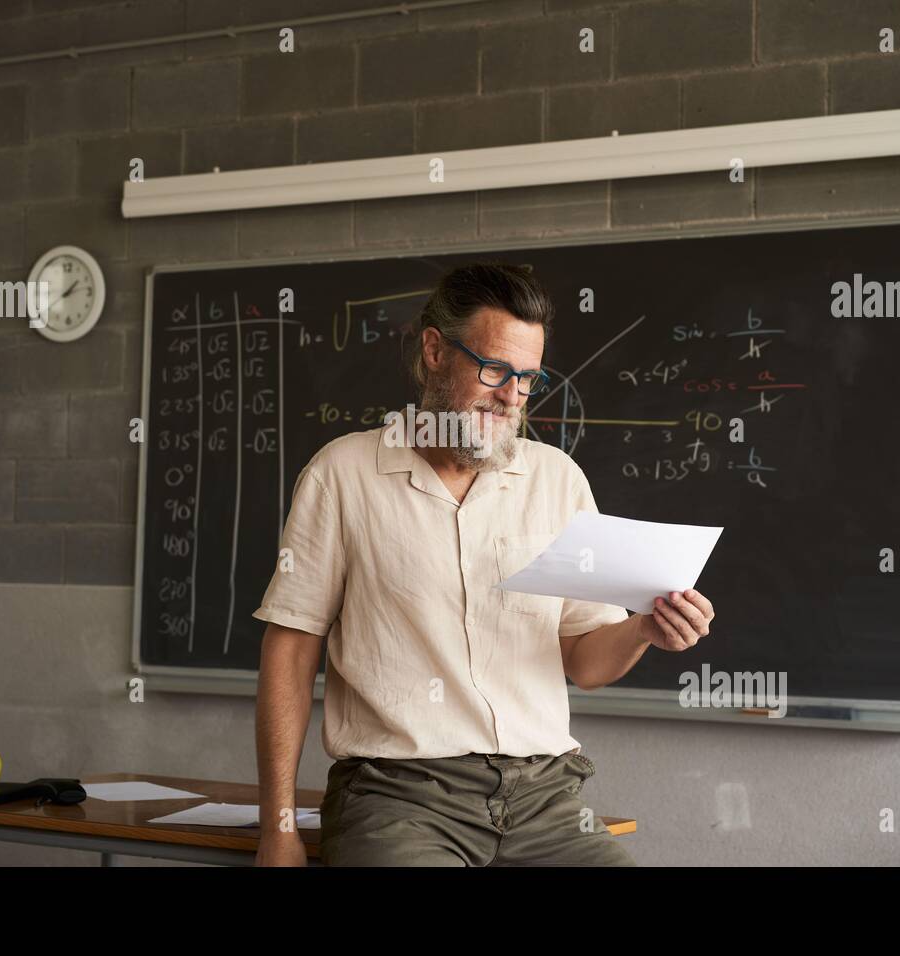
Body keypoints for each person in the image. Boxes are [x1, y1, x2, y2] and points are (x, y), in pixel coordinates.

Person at [253, 261, 715, 866]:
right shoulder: (342, 475)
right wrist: (278, 826)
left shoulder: (558, 481)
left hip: (547, 799)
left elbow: (585, 662)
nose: (510, 397)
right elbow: (290, 649)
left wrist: (642, 631)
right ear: (435, 351)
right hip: (400, 799)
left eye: (527, 379)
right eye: (494, 369)